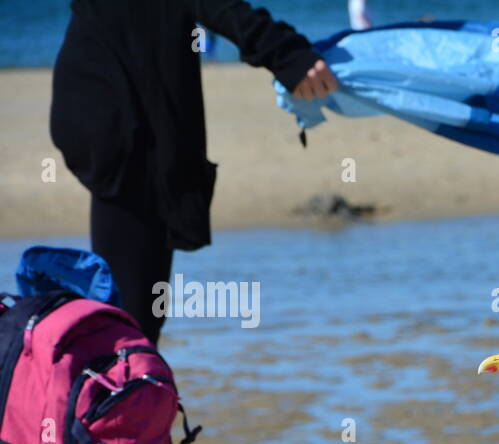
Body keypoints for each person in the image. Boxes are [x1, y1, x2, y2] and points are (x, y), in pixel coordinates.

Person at [50, 0, 338, 344]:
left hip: (113, 107)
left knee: (134, 316)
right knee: (129, 323)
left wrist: (284, 53)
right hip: (122, 120)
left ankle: (131, 385)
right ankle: (120, 387)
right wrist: (285, 54)